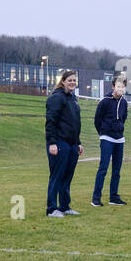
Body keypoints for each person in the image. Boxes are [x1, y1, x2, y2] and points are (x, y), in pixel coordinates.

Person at [45, 70, 84, 217]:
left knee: (67, 176)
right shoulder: (57, 98)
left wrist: (78, 142)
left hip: (72, 144)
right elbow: (51, 122)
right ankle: (51, 209)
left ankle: (65, 206)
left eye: (74, 80)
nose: (72, 82)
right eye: (70, 80)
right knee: (57, 175)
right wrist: (52, 143)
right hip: (59, 143)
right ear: (63, 81)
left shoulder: (73, 99)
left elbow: (75, 123)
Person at [91, 76, 129, 206]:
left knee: (117, 171)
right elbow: (97, 120)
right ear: (113, 87)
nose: (120, 89)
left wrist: (119, 130)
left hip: (120, 139)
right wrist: (103, 133)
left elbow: (123, 118)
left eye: (123, 87)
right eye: (118, 86)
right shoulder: (105, 101)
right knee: (103, 168)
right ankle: (96, 198)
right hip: (107, 137)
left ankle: (114, 197)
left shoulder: (124, 103)